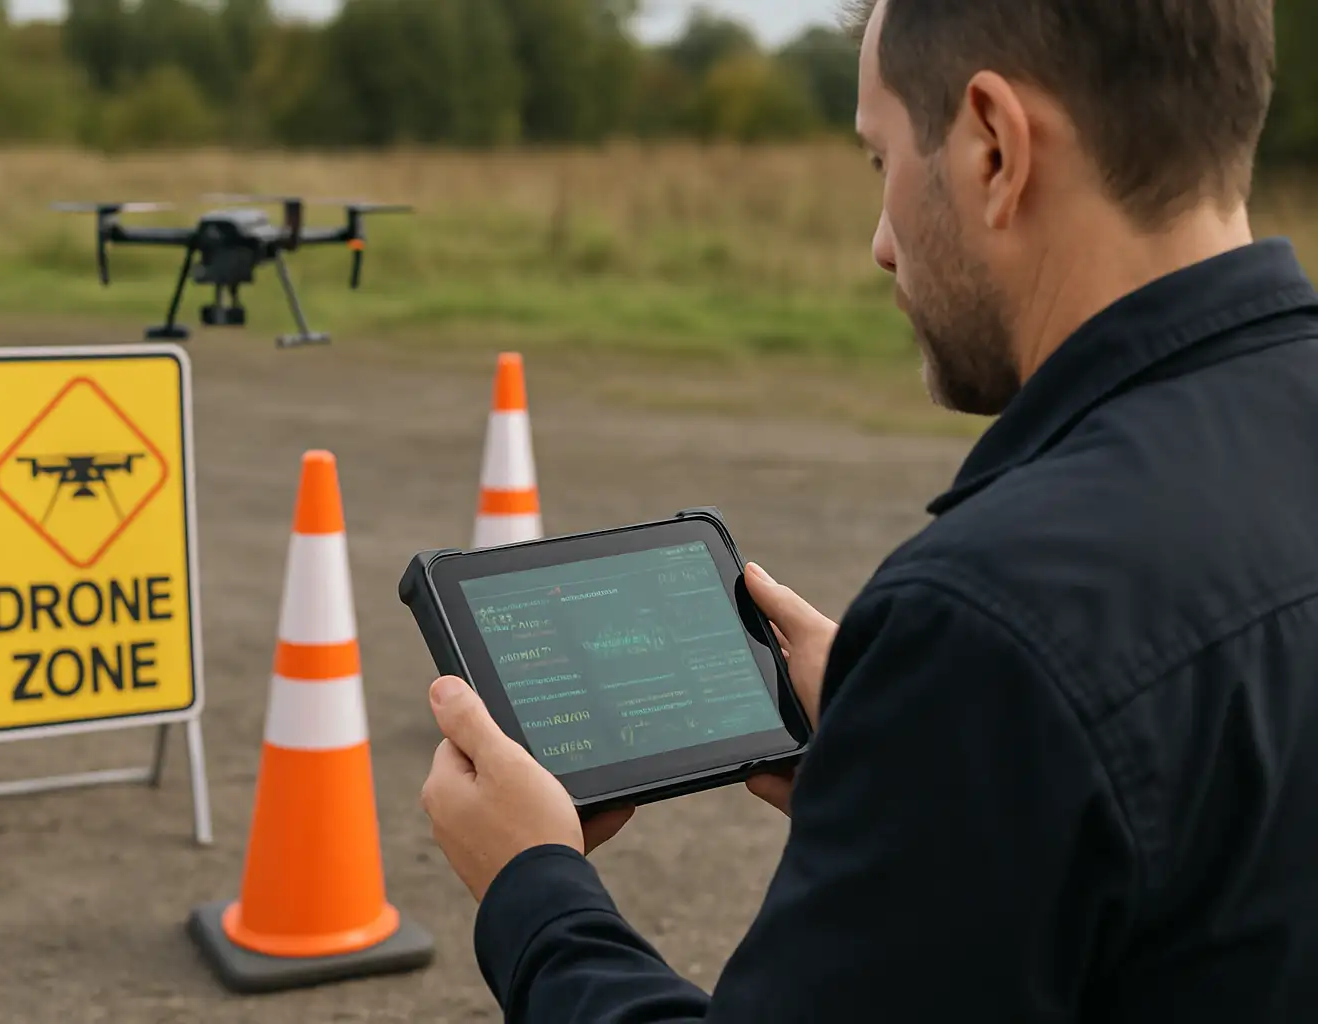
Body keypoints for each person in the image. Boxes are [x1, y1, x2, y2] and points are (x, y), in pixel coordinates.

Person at [418, 0, 1318, 1019]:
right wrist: (918, 774)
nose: (883, 244)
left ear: (993, 147)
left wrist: (532, 890)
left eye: (881, 163)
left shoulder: (995, 621)